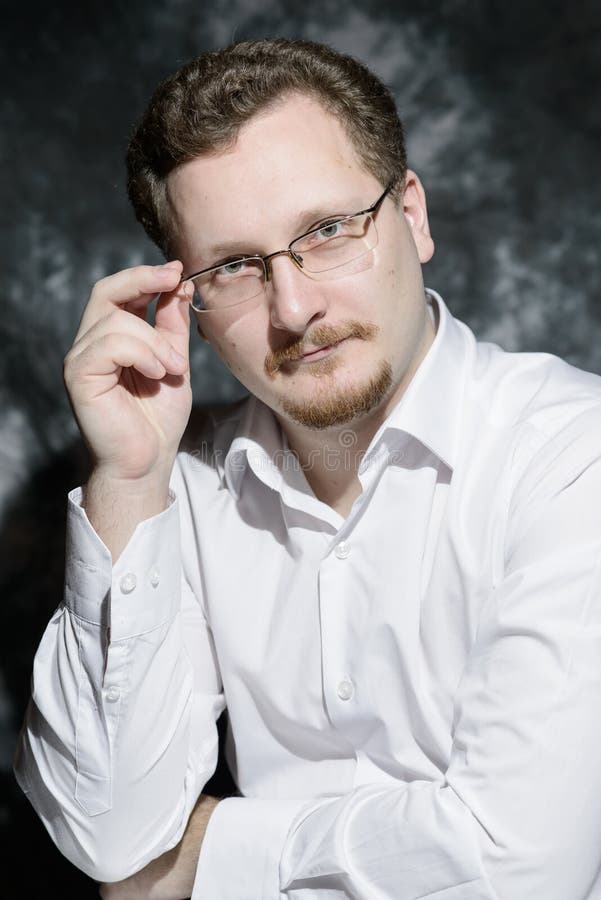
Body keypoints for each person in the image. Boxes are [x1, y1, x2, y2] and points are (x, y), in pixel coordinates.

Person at [13, 38, 601, 900]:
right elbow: (107, 837)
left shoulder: (571, 454)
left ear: (412, 217)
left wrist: (203, 855)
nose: (294, 308)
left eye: (326, 232)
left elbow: (522, 868)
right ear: (189, 306)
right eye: (234, 267)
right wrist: (127, 481)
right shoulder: (181, 486)